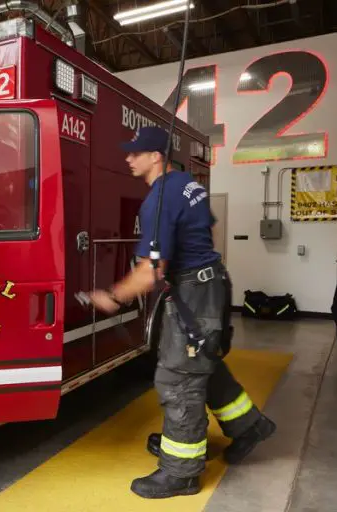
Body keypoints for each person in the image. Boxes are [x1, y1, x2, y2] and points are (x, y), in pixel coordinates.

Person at [87, 126, 276, 499]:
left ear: (156, 156)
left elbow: (150, 271)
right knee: (202, 361)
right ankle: (249, 426)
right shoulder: (190, 185)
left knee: (178, 379)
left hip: (194, 291)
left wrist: (112, 296)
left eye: (135, 153)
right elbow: (207, 234)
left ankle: (182, 471)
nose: (128, 158)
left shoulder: (159, 198)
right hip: (210, 284)